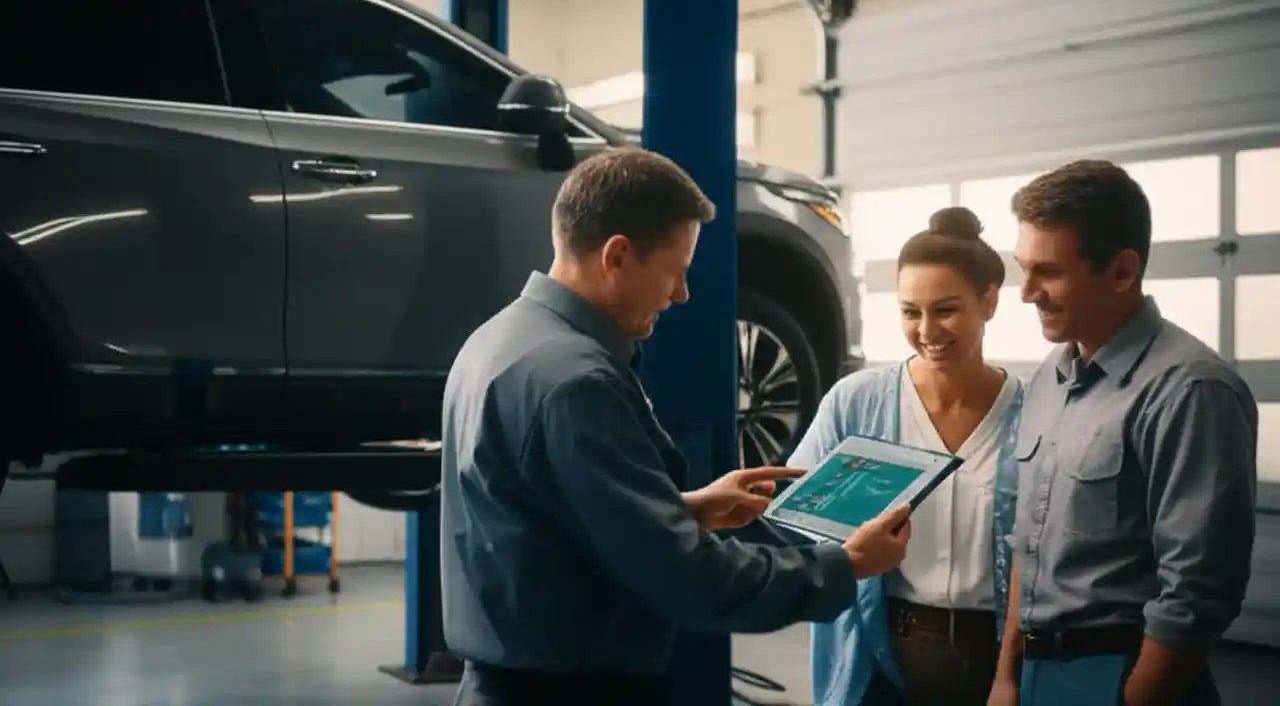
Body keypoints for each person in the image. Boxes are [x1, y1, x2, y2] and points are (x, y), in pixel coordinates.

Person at [438, 147, 913, 706]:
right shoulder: (576, 382)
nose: (682, 294)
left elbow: (542, 518)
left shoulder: (497, 341)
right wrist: (843, 566)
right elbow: (686, 580)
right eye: (676, 271)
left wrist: (682, 509)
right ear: (617, 255)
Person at [988, 159, 1258, 706]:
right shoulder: (1047, 379)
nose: (1026, 292)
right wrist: (1007, 678)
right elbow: (1028, 546)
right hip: (1036, 678)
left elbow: (1196, 596)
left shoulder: (1191, 390)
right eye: (1023, 268)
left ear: (1122, 270)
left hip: (1123, 679)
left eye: (1049, 271)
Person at [790, 206, 1024, 706]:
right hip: (882, 653)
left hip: (999, 658)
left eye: (945, 310)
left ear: (989, 301)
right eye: (910, 311)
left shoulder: (1032, 412)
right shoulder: (856, 402)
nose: (926, 330)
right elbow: (796, 513)